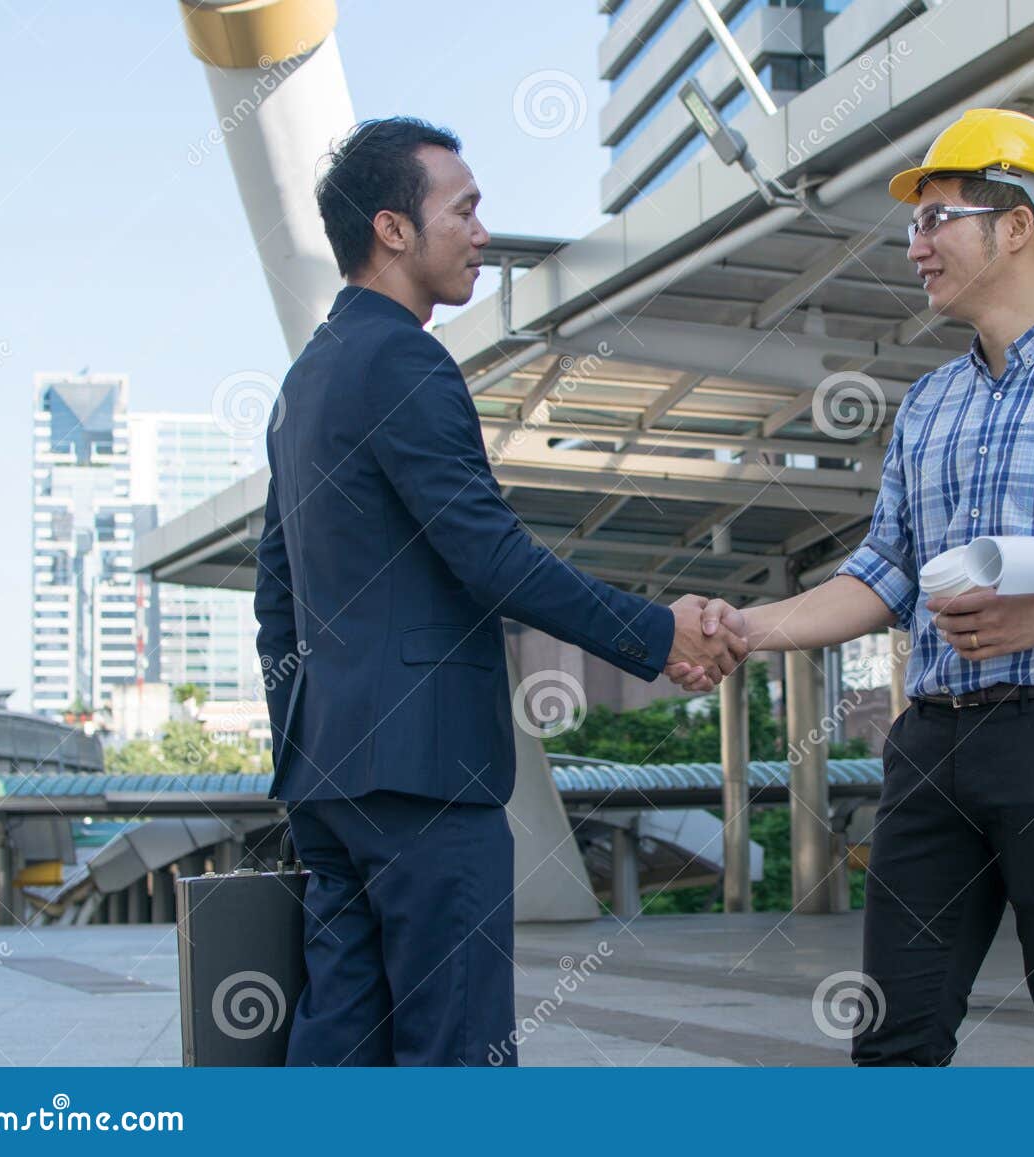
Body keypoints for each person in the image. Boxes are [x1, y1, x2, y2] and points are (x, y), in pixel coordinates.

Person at [666, 108, 1034, 1066]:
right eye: (914, 229)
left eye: (936, 220)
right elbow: (881, 573)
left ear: (1017, 224)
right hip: (931, 742)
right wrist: (744, 626)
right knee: (893, 1034)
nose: (916, 249)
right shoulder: (931, 402)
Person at [254, 117, 746, 1067]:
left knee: (337, 1042)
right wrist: (659, 629)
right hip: (427, 770)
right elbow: (489, 554)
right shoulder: (404, 359)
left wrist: (310, 736)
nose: (482, 231)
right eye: (465, 209)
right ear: (394, 229)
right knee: (455, 1049)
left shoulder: (305, 378)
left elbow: (276, 588)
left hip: (329, 774)